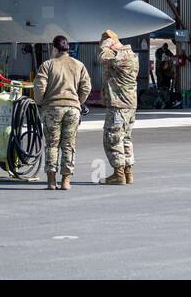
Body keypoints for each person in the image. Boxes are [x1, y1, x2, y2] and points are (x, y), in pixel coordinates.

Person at [33, 35, 92, 190]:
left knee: (52, 144)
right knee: (68, 145)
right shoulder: (79, 65)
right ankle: (66, 180)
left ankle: (51, 181)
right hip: (72, 109)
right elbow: (86, 87)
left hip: (52, 108)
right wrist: (77, 102)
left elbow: (39, 88)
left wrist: (40, 102)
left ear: (54, 48)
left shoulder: (47, 65)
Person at [98, 29, 139, 185]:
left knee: (112, 138)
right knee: (126, 138)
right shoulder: (132, 55)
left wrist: (106, 43)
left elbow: (102, 58)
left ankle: (118, 173)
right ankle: (128, 172)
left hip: (118, 105)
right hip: (129, 105)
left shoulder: (121, 56)